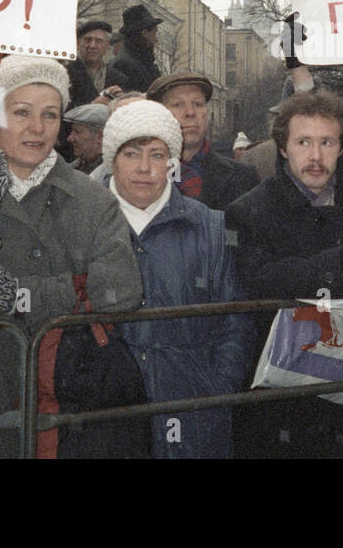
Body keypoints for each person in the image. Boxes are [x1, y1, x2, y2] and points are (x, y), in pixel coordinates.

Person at [0, 55, 146, 459]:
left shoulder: (93, 200)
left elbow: (121, 290)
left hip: (65, 401)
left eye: (50, 114)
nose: (37, 129)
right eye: (20, 112)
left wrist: (20, 295)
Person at [225, 90, 343, 458]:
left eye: (327, 142)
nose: (315, 157)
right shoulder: (249, 210)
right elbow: (259, 280)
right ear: (282, 147)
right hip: (281, 396)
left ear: (342, 147)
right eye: (303, 142)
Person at [100, 100, 254, 458]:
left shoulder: (210, 227)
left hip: (196, 415)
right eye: (131, 154)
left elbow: (236, 321)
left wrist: (217, 388)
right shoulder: (88, 226)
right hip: (108, 416)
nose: (144, 168)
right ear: (112, 160)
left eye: (156, 155)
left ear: (171, 163)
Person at [147, 73, 258, 213]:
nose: (190, 112)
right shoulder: (142, 175)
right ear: (159, 114)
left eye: (198, 104)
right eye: (178, 105)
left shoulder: (243, 178)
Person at [104, 4, 165, 93]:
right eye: (154, 33)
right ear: (144, 33)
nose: (156, 40)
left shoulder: (144, 61)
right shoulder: (122, 64)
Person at [65, 20, 115, 108]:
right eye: (87, 40)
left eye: (99, 41)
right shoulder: (65, 73)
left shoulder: (117, 78)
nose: (92, 45)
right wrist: (92, 106)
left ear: (107, 45)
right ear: (77, 43)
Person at [63, 102, 108, 175]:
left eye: (77, 132)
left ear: (100, 136)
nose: (70, 138)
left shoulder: (107, 175)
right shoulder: (79, 165)